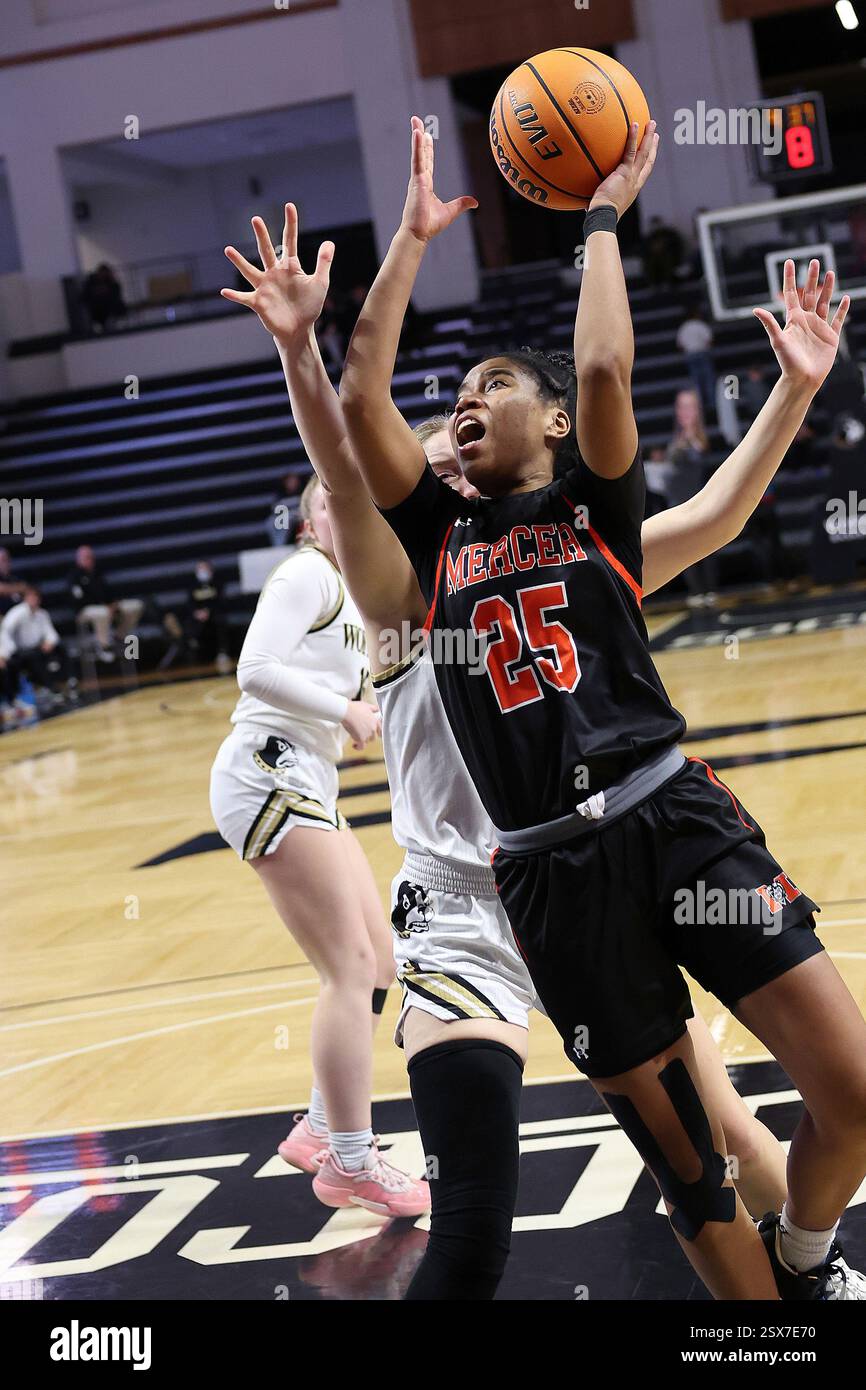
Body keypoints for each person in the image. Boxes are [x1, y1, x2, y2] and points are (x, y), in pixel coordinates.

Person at [223, 186, 863, 1299]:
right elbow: (341, 442)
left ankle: (810, 1274)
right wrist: (304, 346)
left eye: (480, 408)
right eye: (445, 425)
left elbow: (711, 514)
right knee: (486, 1228)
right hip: (492, 903)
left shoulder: (579, 540)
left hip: (632, 854)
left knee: (744, 1140)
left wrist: (789, 394)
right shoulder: (403, 593)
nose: (457, 432)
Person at [209, 471, 429, 1219]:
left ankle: (318, 1124)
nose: (341, 510)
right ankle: (351, 1161)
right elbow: (255, 670)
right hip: (266, 771)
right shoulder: (307, 573)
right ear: (311, 520)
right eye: (328, 501)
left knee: (381, 959)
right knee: (350, 967)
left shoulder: (358, 592)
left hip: (301, 778)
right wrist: (346, 711)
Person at [664, 389, 717, 604]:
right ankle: (696, 591)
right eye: (681, 407)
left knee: (706, 547)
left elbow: (701, 459)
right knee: (683, 550)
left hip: (701, 500)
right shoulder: (675, 438)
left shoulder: (704, 436)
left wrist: (690, 438)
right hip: (679, 501)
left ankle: (710, 589)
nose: (685, 412)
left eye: (689, 407)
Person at [0, 584, 76, 709]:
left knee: (61, 648)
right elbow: (5, 632)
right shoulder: (17, 613)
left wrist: (49, 642)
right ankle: (48, 687)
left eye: (35, 597)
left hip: (37, 647)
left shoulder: (42, 614)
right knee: (31, 659)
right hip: (19, 650)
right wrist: (5, 653)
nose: (33, 600)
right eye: (30, 597)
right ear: (25, 598)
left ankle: (70, 680)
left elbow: (51, 633)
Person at [66, 545, 142, 660]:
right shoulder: (74, 577)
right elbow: (78, 600)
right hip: (84, 610)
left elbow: (108, 592)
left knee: (136, 605)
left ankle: (119, 636)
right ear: (78, 559)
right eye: (86, 557)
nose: (89, 559)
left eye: (91, 557)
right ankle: (103, 646)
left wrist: (113, 603)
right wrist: (105, 606)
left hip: (106, 606)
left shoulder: (98, 573)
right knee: (103, 612)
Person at [676, 305, 716, 419]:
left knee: (696, 381)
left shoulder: (684, 328)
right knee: (708, 379)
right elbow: (709, 340)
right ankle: (711, 403)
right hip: (702, 353)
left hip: (690, 355)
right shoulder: (700, 325)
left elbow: (680, 345)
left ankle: (700, 405)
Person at [81, 263, 126, 333]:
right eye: (101, 273)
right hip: (97, 312)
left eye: (104, 273)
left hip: (109, 311)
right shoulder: (91, 283)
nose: (102, 275)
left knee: (110, 325)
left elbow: (116, 297)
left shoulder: (112, 284)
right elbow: (84, 296)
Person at [266, 470, 306, 547]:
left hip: (302, 516)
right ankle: (280, 544)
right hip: (286, 518)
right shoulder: (280, 496)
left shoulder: (303, 492)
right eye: (290, 482)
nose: (292, 483)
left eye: (294, 481)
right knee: (272, 522)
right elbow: (276, 510)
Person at [0, 548, 24, 617]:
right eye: (3, 560)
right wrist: (18, 588)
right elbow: (1, 589)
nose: (6, 563)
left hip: (17, 614)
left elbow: (26, 587)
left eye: (7, 559)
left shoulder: (15, 576)